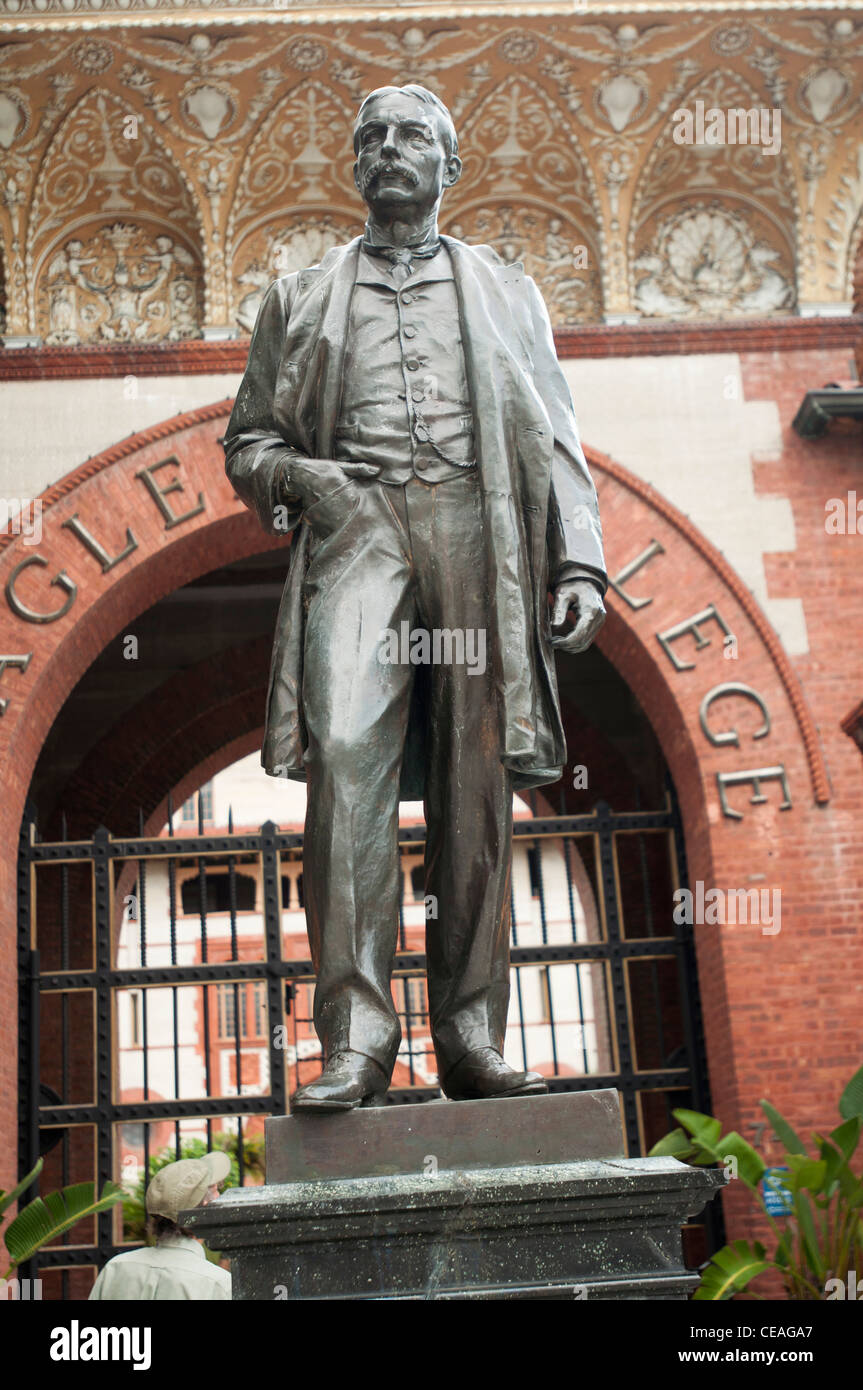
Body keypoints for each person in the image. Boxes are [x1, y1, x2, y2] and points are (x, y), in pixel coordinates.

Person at [224, 84, 607, 1111]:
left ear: (450, 165)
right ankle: (355, 1037)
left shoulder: (507, 293)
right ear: (355, 166)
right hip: (357, 533)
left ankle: (471, 1033)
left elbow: (556, 436)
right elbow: (248, 443)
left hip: (477, 532)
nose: (389, 152)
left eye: (411, 138)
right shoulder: (298, 296)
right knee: (346, 763)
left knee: (474, 788)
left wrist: (579, 561)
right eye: (371, 139)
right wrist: (303, 480)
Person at [89, 1152, 232, 1300]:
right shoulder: (218, 1284)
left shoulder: (115, 1268)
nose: (220, 1196)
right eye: (215, 1189)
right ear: (205, 1206)